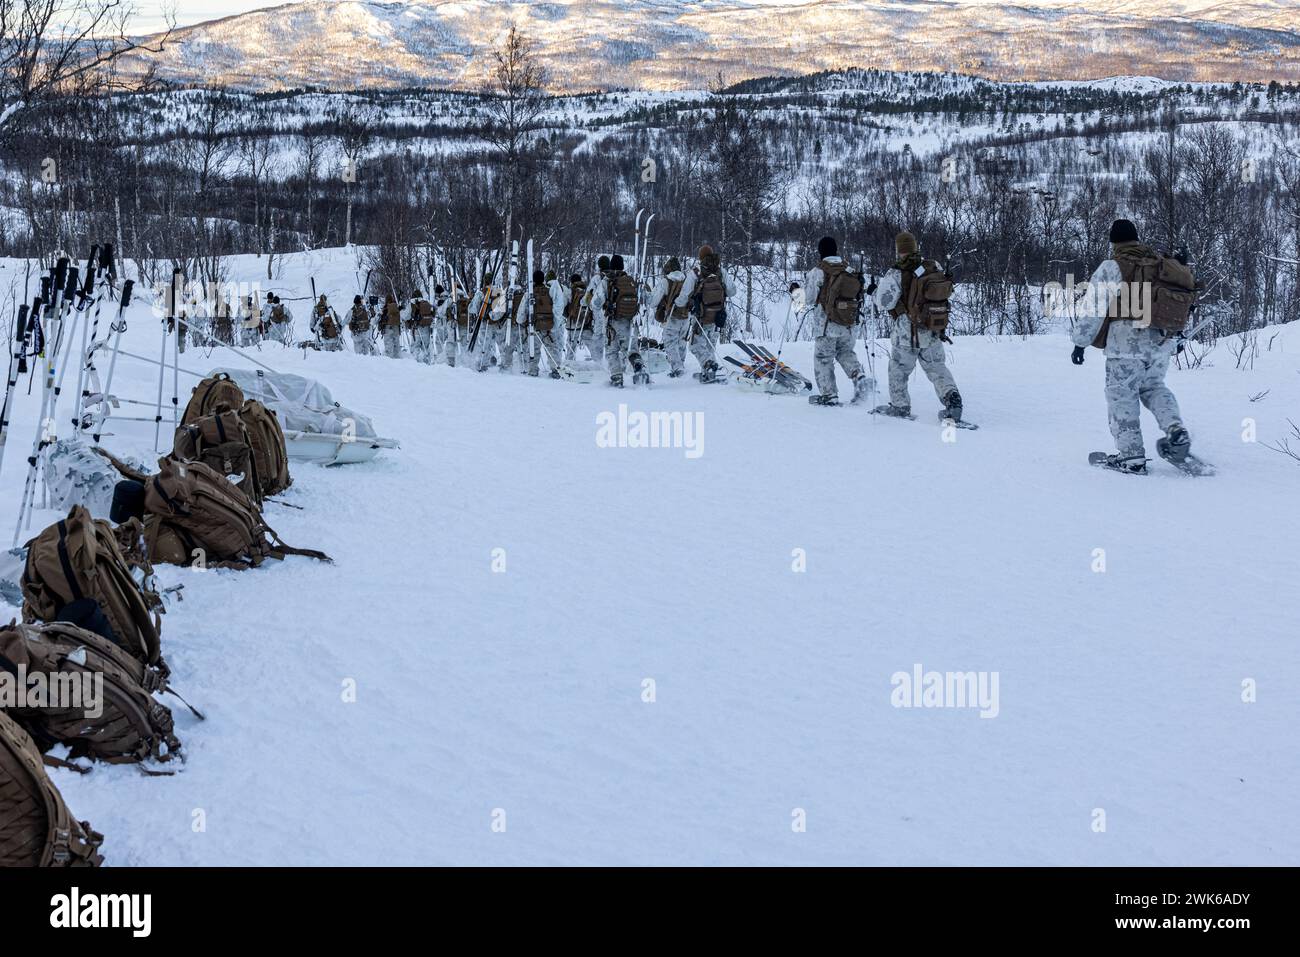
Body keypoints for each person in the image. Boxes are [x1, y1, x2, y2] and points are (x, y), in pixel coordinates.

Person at [1069, 218, 1191, 474]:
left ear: (1114, 242)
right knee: (1155, 387)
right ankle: (1176, 429)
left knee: (1121, 395)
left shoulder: (1113, 266)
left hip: (1126, 343)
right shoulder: (1160, 263)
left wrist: (1080, 343)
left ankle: (1131, 457)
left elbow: (1094, 308)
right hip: (1160, 342)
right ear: (1136, 238)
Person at [870, 231, 962, 420]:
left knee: (898, 369)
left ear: (899, 250)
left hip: (907, 332)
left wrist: (873, 292)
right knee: (937, 368)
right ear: (915, 247)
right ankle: (952, 400)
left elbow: (884, 303)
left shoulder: (895, 273)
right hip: (932, 328)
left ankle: (900, 406)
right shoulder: (933, 266)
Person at [805, 236, 872, 405]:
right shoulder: (849, 270)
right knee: (845, 352)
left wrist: (795, 290)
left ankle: (829, 396)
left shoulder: (817, 272)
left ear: (820, 252)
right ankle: (859, 376)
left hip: (827, 325)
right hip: (848, 324)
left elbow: (809, 299)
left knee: (823, 358)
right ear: (836, 250)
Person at [677, 245, 734, 383]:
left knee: (695, 345)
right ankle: (710, 371)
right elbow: (732, 291)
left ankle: (709, 366)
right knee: (709, 345)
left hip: (702, 316)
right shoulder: (721, 272)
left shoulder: (696, 273)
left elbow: (684, 295)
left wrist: (678, 304)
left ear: (700, 257)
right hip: (718, 316)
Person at [601, 254, 644, 387]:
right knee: (631, 349)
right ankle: (639, 367)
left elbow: (596, 302)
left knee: (612, 350)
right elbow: (645, 298)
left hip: (613, 322)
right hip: (631, 321)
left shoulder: (607, 281)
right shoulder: (631, 281)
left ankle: (617, 377)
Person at [517, 269, 566, 378]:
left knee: (533, 351)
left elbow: (520, 316)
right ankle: (556, 370)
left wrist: (522, 321)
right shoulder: (550, 291)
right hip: (549, 326)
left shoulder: (529, 293)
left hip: (534, 327)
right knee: (552, 349)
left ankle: (533, 371)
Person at [650, 257, 691, 377]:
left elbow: (654, 301)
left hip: (672, 316)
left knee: (670, 342)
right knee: (682, 341)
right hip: (686, 315)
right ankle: (681, 364)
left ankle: (678, 368)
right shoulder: (687, 280)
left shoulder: (666, 281)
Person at [471, 278, 512, 372]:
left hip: (486, 324)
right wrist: (494, 317)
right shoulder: (499, 292)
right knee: (501, 344)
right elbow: (502, 310)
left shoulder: (481, 293)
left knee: (485, 344)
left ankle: (483, 364)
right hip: (498, 324)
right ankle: (505, 365)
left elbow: (473, 309)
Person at [408, 289, 435, 364]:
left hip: (416, 329)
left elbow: (406, 316)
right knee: (425, 347)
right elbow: (433, 314)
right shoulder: (427, 304)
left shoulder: (413, 304)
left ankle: (415, 364)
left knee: (416, 347)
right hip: (427, 329)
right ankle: (427, 363)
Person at [378, 293, 403, 358]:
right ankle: (398, 359)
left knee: (389, 345)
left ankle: (390, 361)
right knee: (396, 344)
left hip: (388, 328)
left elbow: (379, 318)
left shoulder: (385, 308)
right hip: (396, 328)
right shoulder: (396, 307)